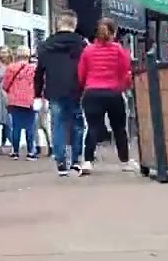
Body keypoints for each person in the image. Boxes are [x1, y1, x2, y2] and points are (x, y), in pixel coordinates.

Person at [78, 18, 136, 174]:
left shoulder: (88, 51)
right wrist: (123, 87)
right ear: (114, 32)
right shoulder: (118, 50)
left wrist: (86, 86)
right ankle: (125, 161)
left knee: (92, 127)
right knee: (119, 128)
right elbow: (125, 72)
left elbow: (81, 74)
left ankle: (88, 161)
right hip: (113, 93)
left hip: (92, 92)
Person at [35, 10, 88, 176]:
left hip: (54, 89)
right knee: (77, 125)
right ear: (74, 24)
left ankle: (60, 160)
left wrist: (37, 94)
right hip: (77, 89)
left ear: (58, 24)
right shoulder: (82, 44)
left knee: (57, 124)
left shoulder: (45, 46)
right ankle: (75, 160)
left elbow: (39, 72)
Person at [0, 46, 39, 160]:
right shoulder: (34, 69)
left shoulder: (11, 68)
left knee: (16, 127)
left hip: (14, 101)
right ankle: (30, 152)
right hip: (29, 100)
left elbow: (5, 85)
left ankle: (15, 152)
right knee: (30, 127)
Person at [0, 45, 14, 151]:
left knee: (9, 118)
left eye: (5, 52)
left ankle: (11, 141)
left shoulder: (13, 65)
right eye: (2, 52)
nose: (4, 54)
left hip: (10, 93)